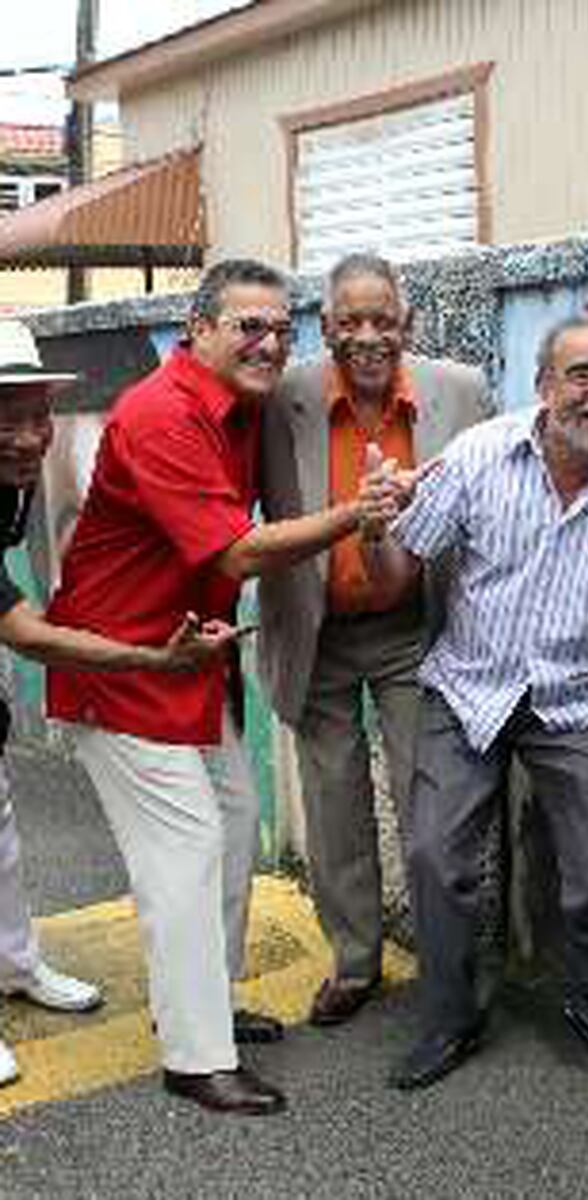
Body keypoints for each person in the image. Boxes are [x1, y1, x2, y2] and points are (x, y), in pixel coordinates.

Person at [45, 260, 400, 1117]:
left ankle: (208, 998)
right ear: (197, 329)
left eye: (282, 328)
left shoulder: (237, 405)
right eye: (248, 326)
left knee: (235, 822)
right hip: (117, 666)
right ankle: (196, 1056)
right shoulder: (164, 414)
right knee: (186, 851)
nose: (270, 343)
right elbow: (236, 552)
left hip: (184, 662)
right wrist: (358, 513)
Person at [359, 313, 588, 1090]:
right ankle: (451, 1017)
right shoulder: (481, 454)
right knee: (436, 857)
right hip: (469, 688)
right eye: (582, 376)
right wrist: (376, 525)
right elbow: (397, 568)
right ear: (544, 387)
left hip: (581, 700)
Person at [0, 318, 236, 1089]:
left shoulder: (17, 477)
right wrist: (148, 661)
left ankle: (16, 967)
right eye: (8, 419)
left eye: (38, 416)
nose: (30, 437)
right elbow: (29, 633)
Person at [257, 252, 490, 1028]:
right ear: (323, 328)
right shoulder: (278, 396)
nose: (367, 336)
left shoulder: (460, 392)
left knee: (431, 805)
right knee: (333, 806)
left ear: (407, 324)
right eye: (349, 321)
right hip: (315, 630)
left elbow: (490, 504)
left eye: (381, 320)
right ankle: (355, 963)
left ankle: (444, 962)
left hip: (412, 630)